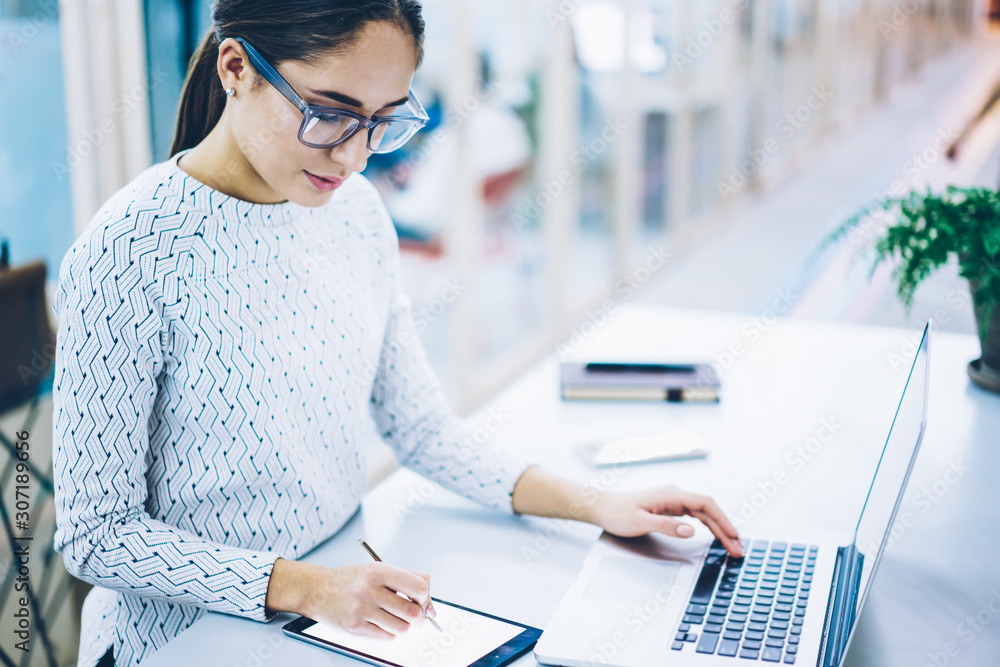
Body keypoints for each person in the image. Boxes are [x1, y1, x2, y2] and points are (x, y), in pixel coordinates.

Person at [51, 3, 743, 667]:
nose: (354, 157)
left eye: (384, 121)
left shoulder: (355, 215)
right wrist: (305, 586)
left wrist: (598, 503)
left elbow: (421, 427)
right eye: (329, 114)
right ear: (237, 68)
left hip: (329, 602)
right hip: (184, 640)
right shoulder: (129, 250)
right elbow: (96, 535)